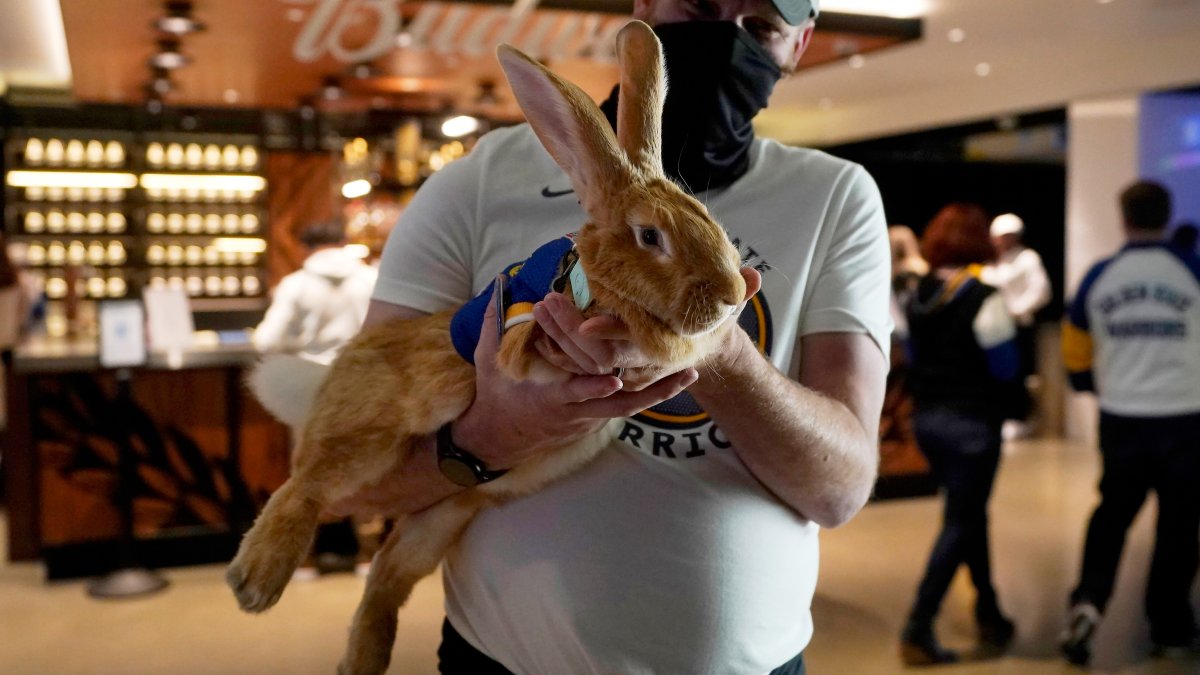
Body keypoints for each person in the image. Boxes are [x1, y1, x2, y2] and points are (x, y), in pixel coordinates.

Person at [340, 1, 892, 672]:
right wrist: (498, 430)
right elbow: (344, 479)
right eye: (698, 6)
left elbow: (839, 489)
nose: (724, 39)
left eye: (760, 27)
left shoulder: (836, 196)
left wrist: (711, 345)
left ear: (800, 42)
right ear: (644, 9)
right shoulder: (477, 186)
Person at [1059, 180, 1200, 665]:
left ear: (1124, 218)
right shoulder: (1192, 270)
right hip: (1185, 417)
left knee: (1112, 515)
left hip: (1122, 417)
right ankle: (1171, 624)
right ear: (1167, 214)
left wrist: (1093, 385)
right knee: (1179, 526)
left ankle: (1089, 602)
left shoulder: (1102, 276)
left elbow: (1074, 350)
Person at [897, 204, 1019, 665]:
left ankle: (989, 611)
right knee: (962, 520)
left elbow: (910, 352)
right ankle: (918, 626)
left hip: (928, 422)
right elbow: (1004, 367)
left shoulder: (916, 294)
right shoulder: (984, 297)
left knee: (969, 514)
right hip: (973, 425)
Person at [253, 220, 379, 577]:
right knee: (367, 467)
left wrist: (301, 344)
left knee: (308, 471)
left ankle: (304, 558)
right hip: (363, 381)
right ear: (343, 241)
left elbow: (267, 341)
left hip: (309, 388)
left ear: (305, 247)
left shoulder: (296, 285)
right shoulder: (370, 278)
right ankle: (368, 555)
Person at [981, 213, 1051, 436]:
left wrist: (1017, 310)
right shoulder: (992, 263)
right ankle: (1001, 414)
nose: (1004, 240)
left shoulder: (1028, 259)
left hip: (1018, 325)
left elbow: (1041, 291)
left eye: (1009, 236)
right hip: (993, 326)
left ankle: (1018, 417)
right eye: (1000, 236)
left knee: (1018, 372)